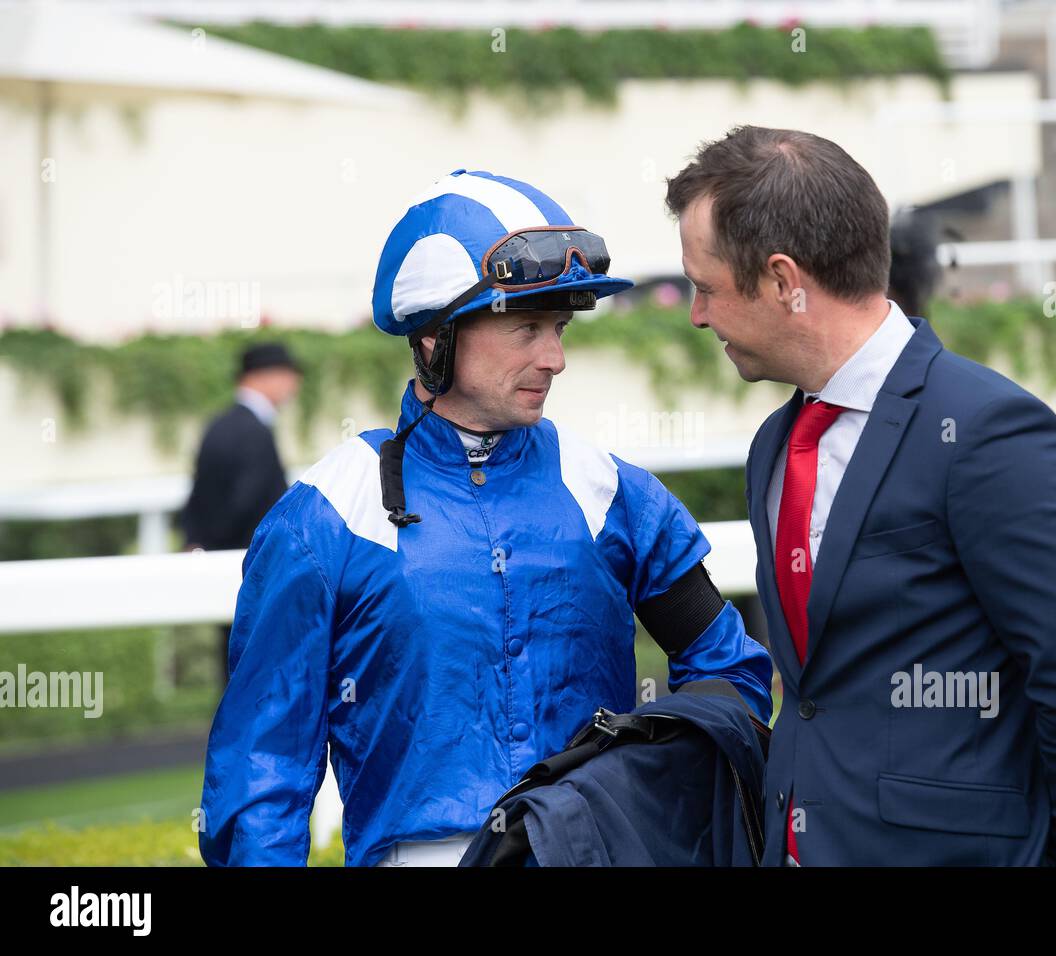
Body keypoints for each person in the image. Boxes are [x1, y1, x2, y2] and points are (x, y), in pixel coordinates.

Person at [198, 169, 773, 867]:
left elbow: (728, 673)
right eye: (526, 327)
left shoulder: (612, 492)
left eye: (558, 328)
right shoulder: (323, 517)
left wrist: (648, 799)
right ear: (436, 337)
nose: (554, 358)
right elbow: (264, 771)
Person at [666, 126, 1056, 866]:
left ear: (782, 279)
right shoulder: (775, 444)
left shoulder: (988, 430)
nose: (697, 315)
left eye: (706, 288)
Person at [178, 342, 302, 685]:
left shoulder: (219, 425)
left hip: (224, 567)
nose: (295, 386)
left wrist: (198, 542)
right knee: (256, 675)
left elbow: (200, 500)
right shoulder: (253, 432)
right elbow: (249, 506)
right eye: (291, 376)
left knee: (234, 668)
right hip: (252, 571)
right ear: (268, 377)